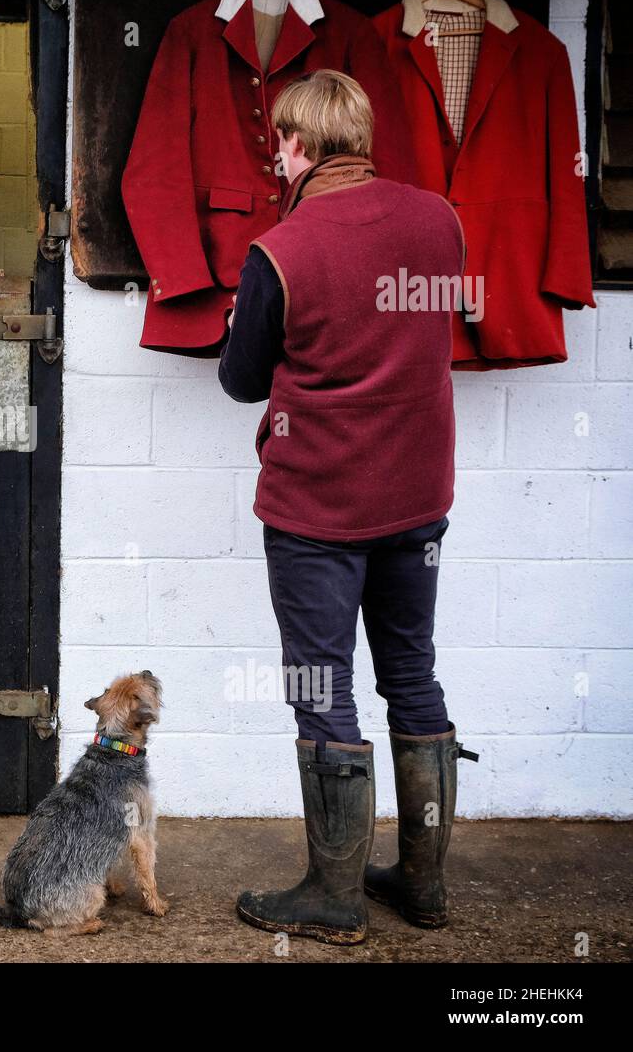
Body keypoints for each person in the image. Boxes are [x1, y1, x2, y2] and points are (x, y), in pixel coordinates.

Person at [219, 70, 478, 946]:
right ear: (360, 139)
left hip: (317, 508)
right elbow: (430, 331)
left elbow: (241, 380)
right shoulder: (439, 220)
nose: (276, 157)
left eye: (279, 144)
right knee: (413, 672)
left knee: (320, 689)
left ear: (297, 146)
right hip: (417, 501)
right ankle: (423, 883)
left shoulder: (279, 252)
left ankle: (333, 898)